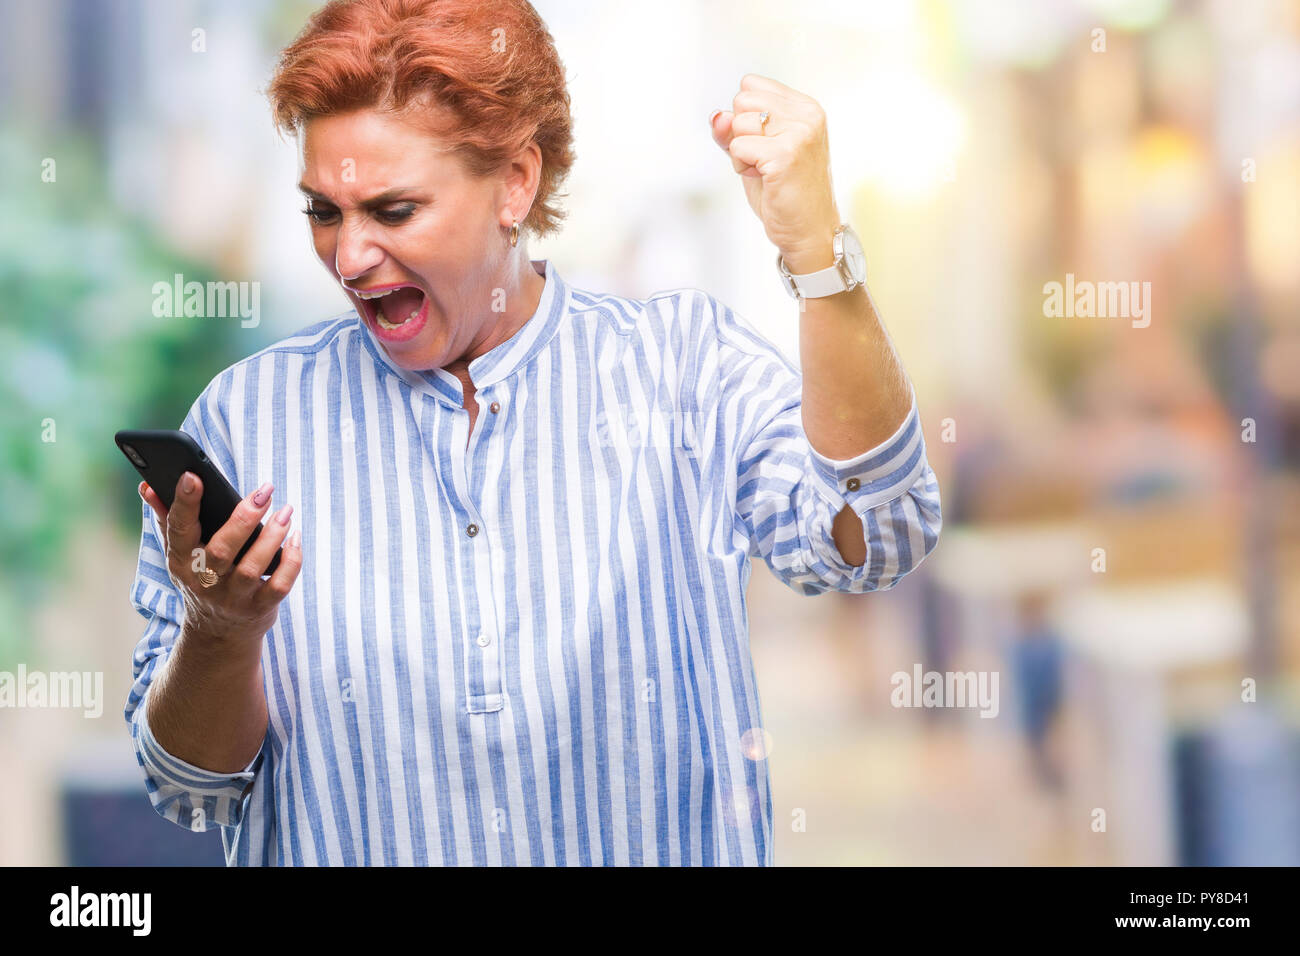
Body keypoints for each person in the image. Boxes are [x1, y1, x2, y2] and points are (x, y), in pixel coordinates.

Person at [126, 0, 941, 865]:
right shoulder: (245, 421)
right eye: (323, 212)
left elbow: (877, 539)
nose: (349, 256)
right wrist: (222, 629)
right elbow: (188, 788)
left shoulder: (686, 370)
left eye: (394, 210)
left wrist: (818, 253)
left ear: (516, 181)